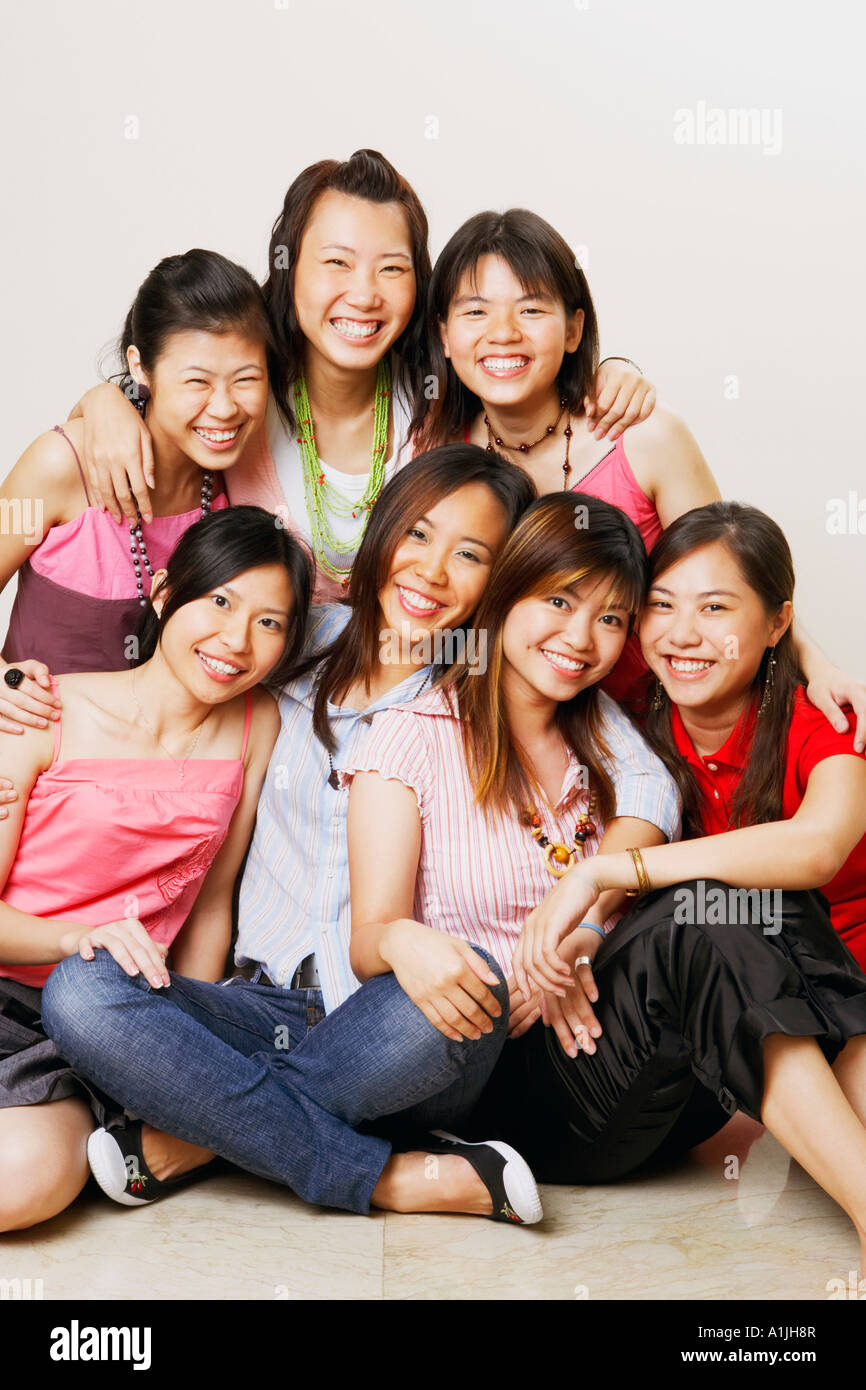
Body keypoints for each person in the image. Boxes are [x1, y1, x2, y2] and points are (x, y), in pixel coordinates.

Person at [42, 448, 546, 1224]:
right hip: (263, 1010)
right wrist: (18, 680)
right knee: (83, 987)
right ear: (381, 535)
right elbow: (194, 632)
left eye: (471, 554)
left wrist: (583, 916)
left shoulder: (495, 687)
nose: (433, 571)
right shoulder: (300, 633)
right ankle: (388, 1178)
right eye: (417, 534)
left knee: (471, 983)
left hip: (389, 1019)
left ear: (501, 580)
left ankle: (201, 1135)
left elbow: (637, 771)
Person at [494, 501, 866, 1266]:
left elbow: (819, 846)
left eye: (716, 608)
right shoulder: (626, 704)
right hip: (619, 1045)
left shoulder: (819, 718)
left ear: (776, 625)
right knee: (730, 902)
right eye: (660, 607)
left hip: (806, 1006)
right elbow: (554, 614)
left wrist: (612, 870)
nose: (681, 633)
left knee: (765, 903)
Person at [66, 152, 652, 601]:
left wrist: (613, 371)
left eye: (391, 268)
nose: (364, 295)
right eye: (337, 263)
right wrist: (107, 400)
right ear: (289, 269)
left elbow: (521, 370)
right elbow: (159, 402)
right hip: (261, 706)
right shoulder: (239, 397)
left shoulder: (443, 401)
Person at [411, 208, 866, 736]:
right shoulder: (439, 456)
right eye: (475, 313)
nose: (503, 333)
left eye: (531, 310)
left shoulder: (644, 438)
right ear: (444, 335)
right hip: (516, 743)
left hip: (661, 737)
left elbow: (735, 584)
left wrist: (818, 666)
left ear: (575, 328)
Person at [0, 505, 312, 1230]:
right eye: (221, 602)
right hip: (16, 978)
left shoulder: (254, 723)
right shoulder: (44, 709)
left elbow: (210, 902)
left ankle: (149, 1128)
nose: (236, 640)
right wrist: (82, 935)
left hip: (103, 1020)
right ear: (167, 593)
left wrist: (185, 1051)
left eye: (270, 623)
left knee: (18, 1185)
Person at [0, 247, 272, 733]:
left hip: (165, 782)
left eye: (246, 379)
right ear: (140, 366)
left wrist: (100, 398)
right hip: (35, 764)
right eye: (197, 381)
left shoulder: (240, 481)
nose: (226, 408)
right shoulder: (63, 466)